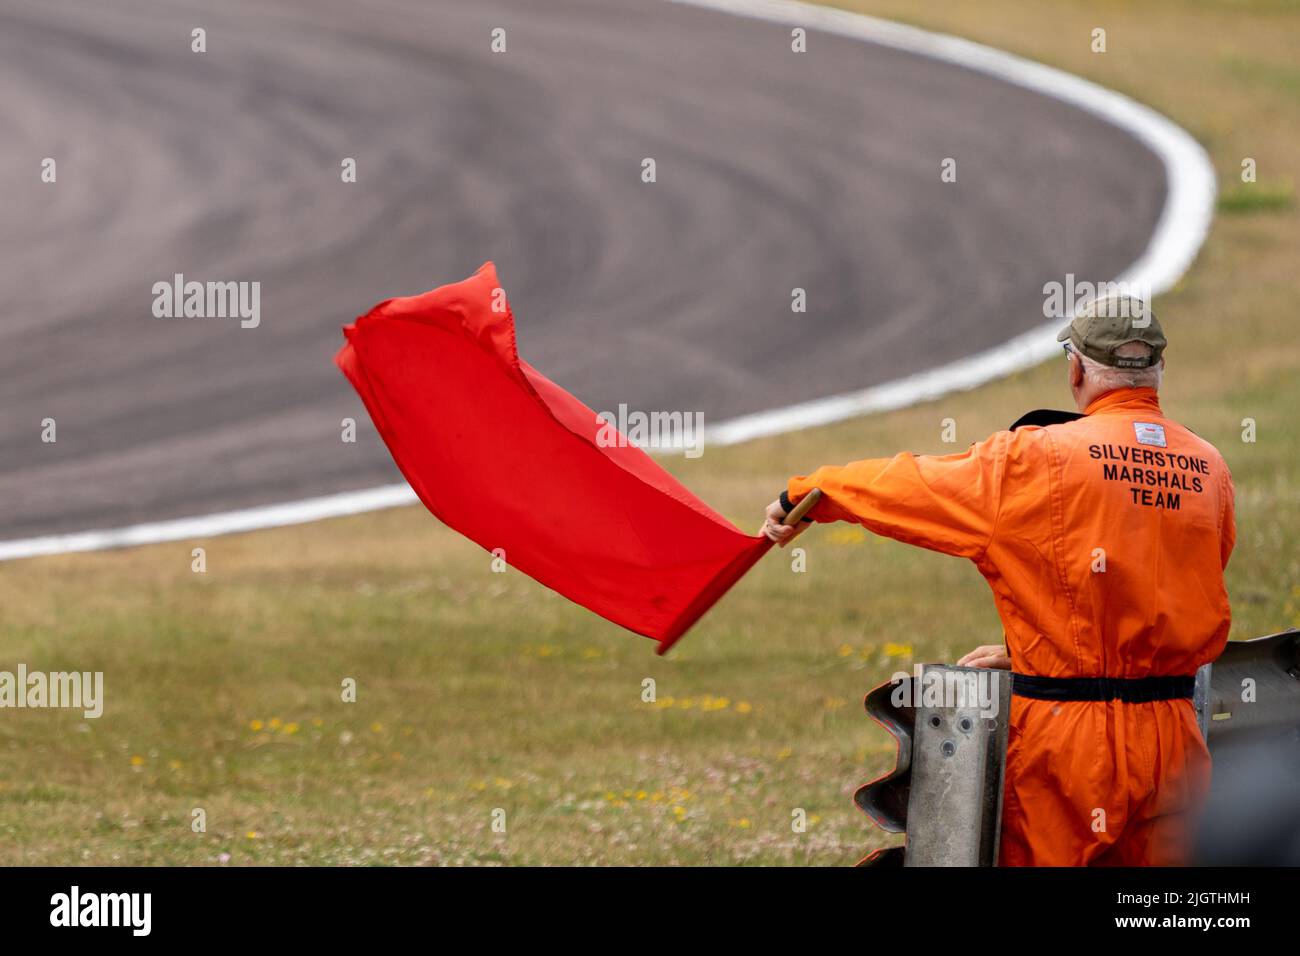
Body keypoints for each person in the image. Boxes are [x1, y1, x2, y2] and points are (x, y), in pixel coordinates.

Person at [762, 295, 1235, 865]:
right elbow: (1165, 592)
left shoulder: (1037, 457)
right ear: (1158, 371)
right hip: (1176, 739)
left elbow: (913, 486)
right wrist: (1035, 647)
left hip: (1068, 742)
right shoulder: (1210, 467)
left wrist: (814, 491)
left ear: (1077, 368)